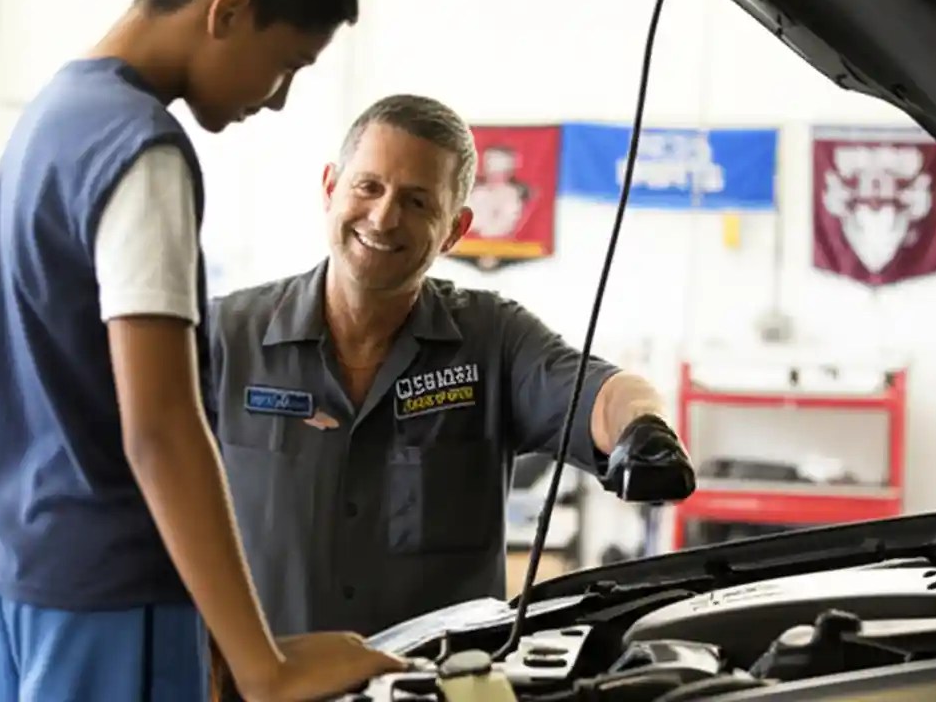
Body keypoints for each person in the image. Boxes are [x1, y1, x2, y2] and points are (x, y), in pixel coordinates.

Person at [0, 0, 406, 701]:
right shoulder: (141, 151)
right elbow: (162, 429)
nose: (278, 99)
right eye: (287, 65)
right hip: (116, 593)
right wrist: (265, 666)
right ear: (227, 11)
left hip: (28, 574)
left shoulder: (53, 117)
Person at [206, 93, 696, 643]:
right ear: (329, 188)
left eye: (417, 202)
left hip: (437, 681)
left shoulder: (493, 340)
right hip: (260, 679)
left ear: (454, 230)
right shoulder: (225, 337)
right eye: (368, 187)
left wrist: (644, 428)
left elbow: (603, 394)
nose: (384, 217)